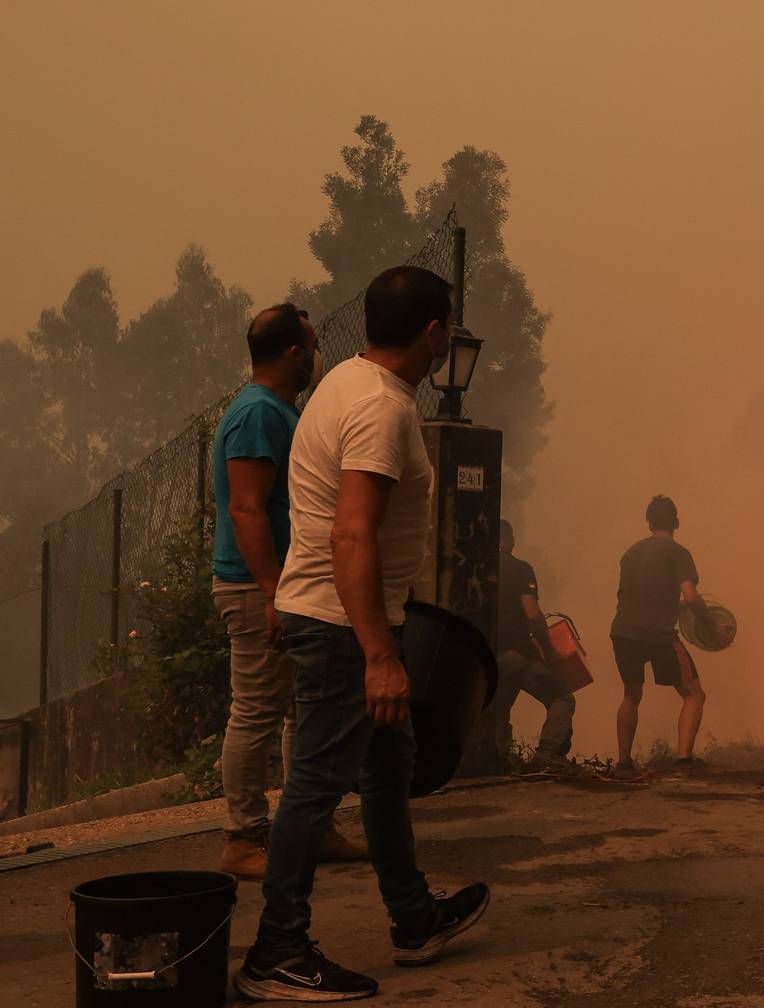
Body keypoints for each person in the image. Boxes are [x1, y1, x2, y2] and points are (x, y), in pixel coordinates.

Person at [237, 266, 489, 1002]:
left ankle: (414, 920)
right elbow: (352, 536)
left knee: (385, 767)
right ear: (435, 333)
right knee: (314, 787)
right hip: (344, 625)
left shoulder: (344, 381)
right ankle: (276, 951)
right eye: (448, 327)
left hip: (343, 616)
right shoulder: (380, 409)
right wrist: (381, 655)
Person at [211, 303, 367, 879]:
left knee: (300, 713)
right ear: (296, 354)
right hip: (258, 589)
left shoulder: (278, 411)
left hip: (283, 587)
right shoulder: (256, 414)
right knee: (255, 711)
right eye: (314, 342)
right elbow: (247, 506)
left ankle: (311, 825)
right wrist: (273, 590)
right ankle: (242, 838)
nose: (318, 353)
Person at [609, 495, 717, 777]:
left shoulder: (630, 553)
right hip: (658, 634)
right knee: (694, 694)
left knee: (631, 694)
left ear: (649, 523)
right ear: (677, 522)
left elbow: (636, 593)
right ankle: (683, 762)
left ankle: (624, 764)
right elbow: (691, 597)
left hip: (622, 631)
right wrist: (708, 622)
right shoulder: (678, 552)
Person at [496, 519, 576, 773]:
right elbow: (532, 616)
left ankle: (496, 759)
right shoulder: (520, 569)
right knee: (561, 697)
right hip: (518, 654)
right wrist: (549, 652)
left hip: (486, 657)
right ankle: (548, 755)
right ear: (509, 539)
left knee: (497, 710)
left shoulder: (476, 569)